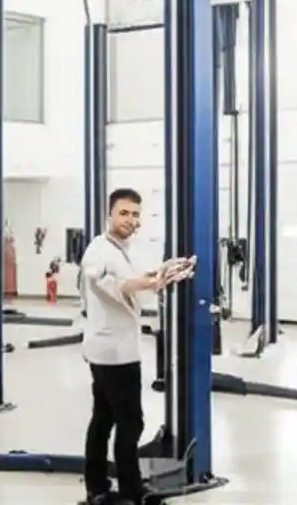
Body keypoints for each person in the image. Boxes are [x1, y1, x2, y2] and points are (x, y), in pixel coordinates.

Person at [81, 188, 195, 505]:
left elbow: (133, 280)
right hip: (112, 353)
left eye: (134, 214)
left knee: (103, 418)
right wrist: (148, 282)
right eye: (123, 213)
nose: (130, 219)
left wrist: (163, 273)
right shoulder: (98, 250)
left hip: (118, 349)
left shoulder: (125, 250)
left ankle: (98, 487)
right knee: (131, 421)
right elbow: (109, 284)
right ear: (109, 215)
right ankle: (132, 491)